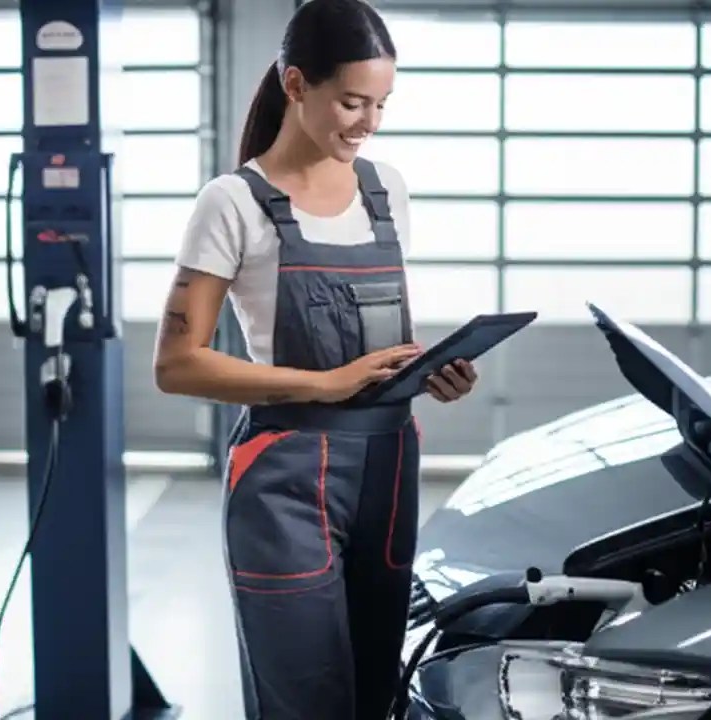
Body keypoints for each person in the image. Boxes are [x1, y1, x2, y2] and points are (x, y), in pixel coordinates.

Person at [153, 1, 478, 716]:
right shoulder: (233, 202)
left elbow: (389, 337)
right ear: (297, 86)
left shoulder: (385, 188)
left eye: (383, 103)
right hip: (286, 481)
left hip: (388, 473)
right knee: (306, 697)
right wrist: (325, 384)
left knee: (374, 690)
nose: (369, 122)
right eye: (352, 102)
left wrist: (430, 374)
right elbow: (176, 364)